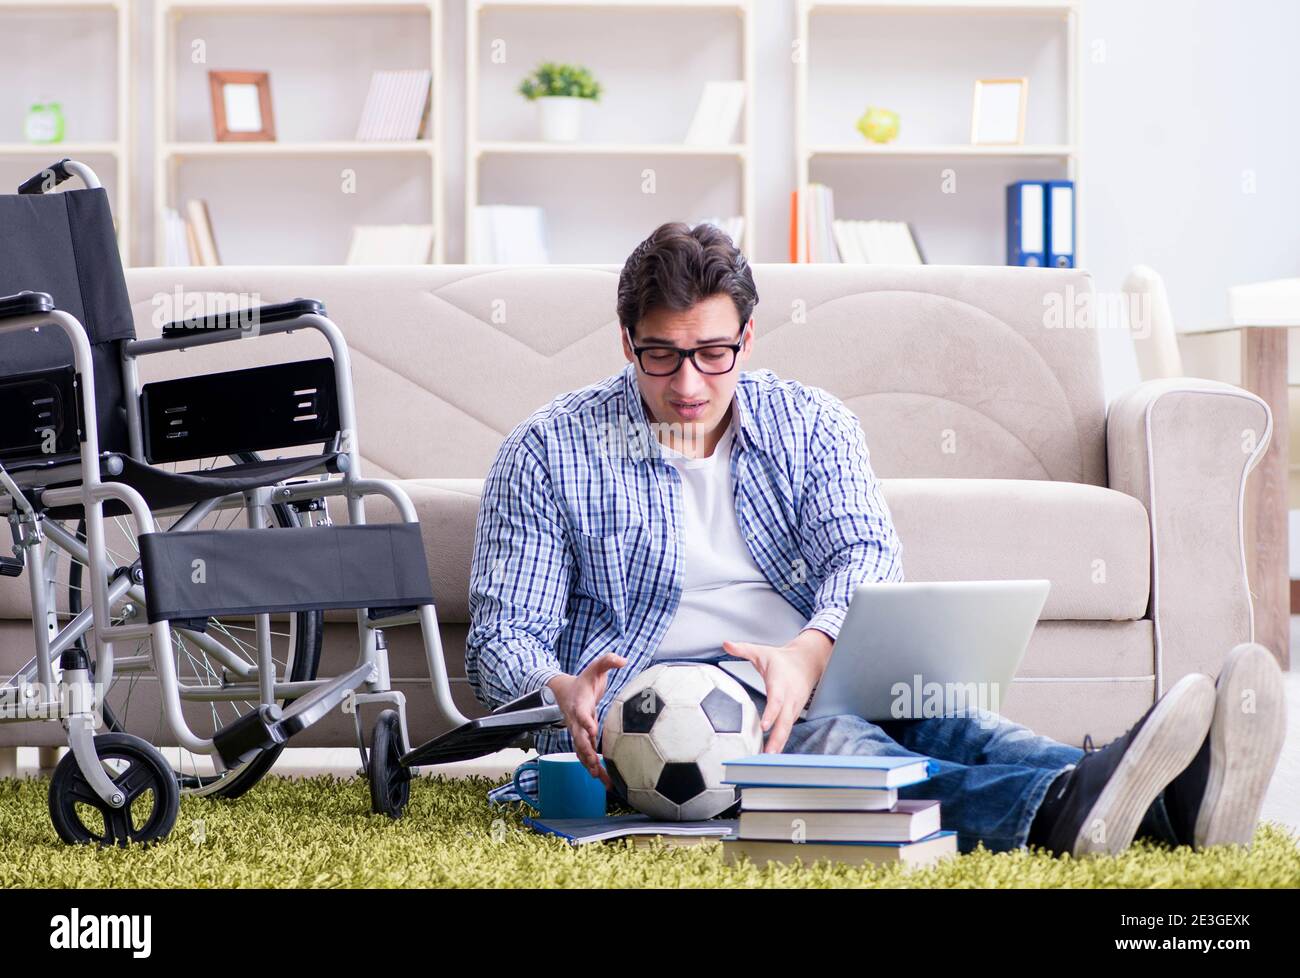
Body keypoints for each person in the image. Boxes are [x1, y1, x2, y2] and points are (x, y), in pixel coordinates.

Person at [465, 222, 1287, 855]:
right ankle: (1084, 799)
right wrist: (558, 687)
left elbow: (864, 557)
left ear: (748, 340)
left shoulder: (813, 424)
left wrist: (812, 652)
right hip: (662, 724)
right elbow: (501, 639)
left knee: (946, 721)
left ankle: (1166, 795)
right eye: (661, 356)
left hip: (811, 670)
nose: (688, 383)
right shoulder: (548, 450)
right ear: (626, 343)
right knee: (836, 745)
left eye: (714, 354)